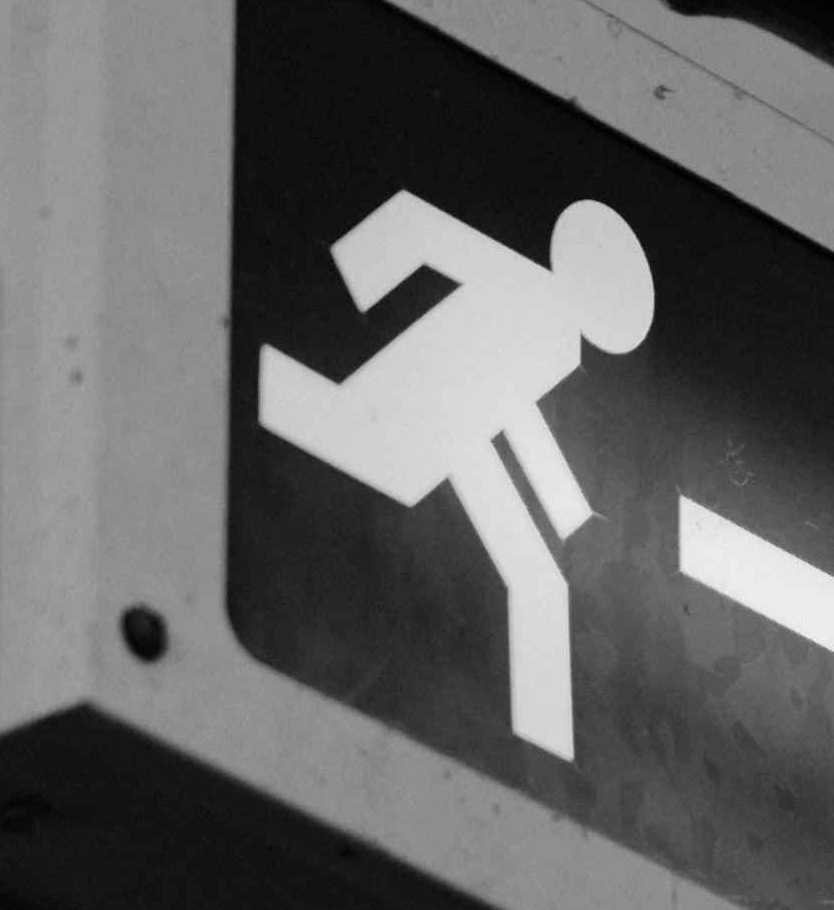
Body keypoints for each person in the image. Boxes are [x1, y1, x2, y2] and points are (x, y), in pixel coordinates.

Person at [255, 185, 656, 756]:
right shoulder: (520, 283)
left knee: (536, 578)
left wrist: (570, 509)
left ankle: (539, 739)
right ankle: (540, 739)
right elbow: (416, 232)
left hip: (457, 436)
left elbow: (523, 420)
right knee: (317, 418)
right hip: (414, 402)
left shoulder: (561, 342)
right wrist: (361, 268)